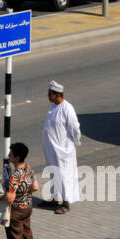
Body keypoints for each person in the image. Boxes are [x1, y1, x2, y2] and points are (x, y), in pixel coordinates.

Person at [41, 80, 81, 213]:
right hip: (52, 150)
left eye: (50, 94)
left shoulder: (67, 108)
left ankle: (65, 203)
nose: (48, 97)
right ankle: (54, 199)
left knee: (64, 175)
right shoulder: (53, 106)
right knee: (53, 173)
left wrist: (75, 142)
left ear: (57, 95)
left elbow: (74, 128)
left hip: (63, 150)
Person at [0, 141, 37, 239]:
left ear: (16, 157)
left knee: (16, 238)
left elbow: (10, 197)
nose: (9, 156)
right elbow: (35, 187)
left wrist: (3, 195)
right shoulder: (28, 168)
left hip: (16, 210)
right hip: (28, 206)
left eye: (11, 154)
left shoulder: (15, 175)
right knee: (27, 234)